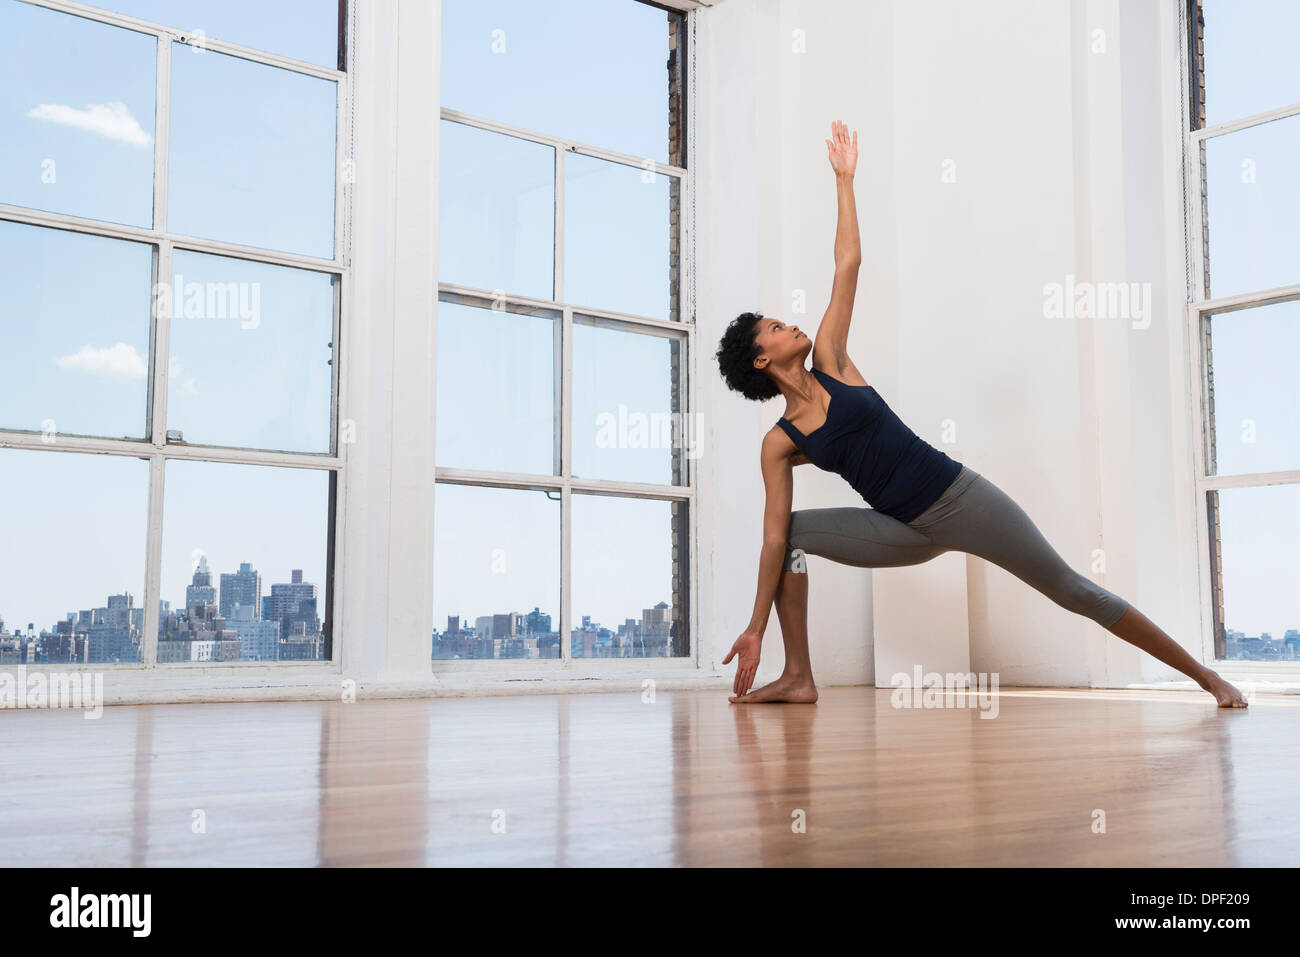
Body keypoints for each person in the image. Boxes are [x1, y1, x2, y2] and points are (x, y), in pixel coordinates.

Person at [713, 120, 1247, 709]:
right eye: (775, 328)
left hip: (961, 499)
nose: (790, 324)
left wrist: (844, 180)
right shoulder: (780, 443)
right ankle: (798, 676)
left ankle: (1207, 678)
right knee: (790, 534)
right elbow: (770, 540)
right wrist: (754, 626)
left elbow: (848, 264)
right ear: (762, 359)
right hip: (900, 529)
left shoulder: (833, 362)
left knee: (1071, 589)